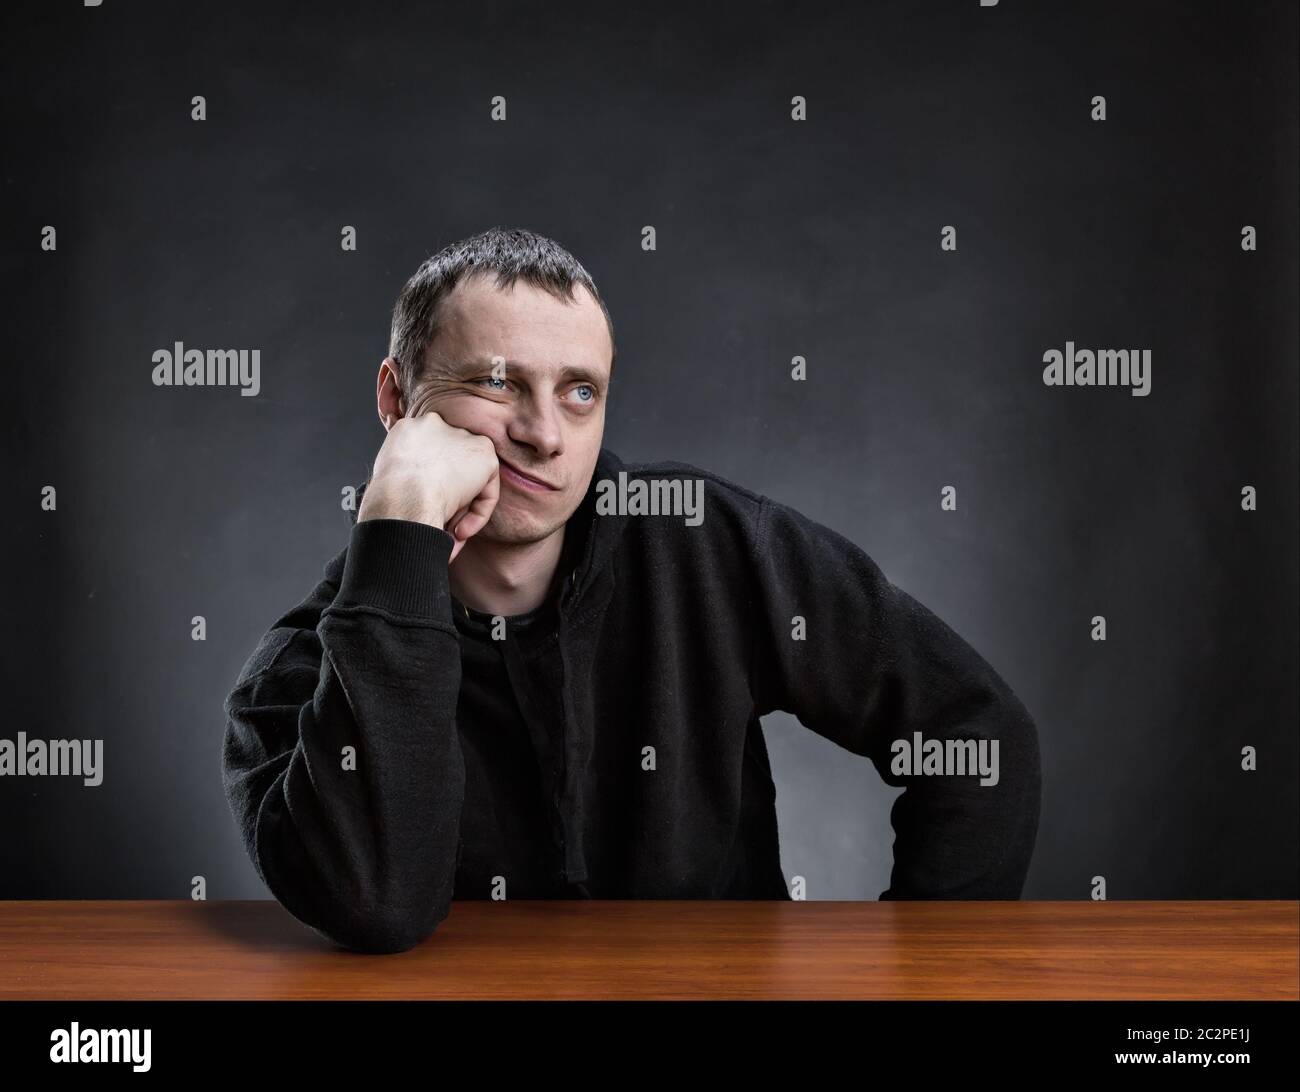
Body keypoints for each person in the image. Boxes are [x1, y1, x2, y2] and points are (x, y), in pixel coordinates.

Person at [222, 226, 1041, 954]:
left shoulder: (707, 544)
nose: (545, 435)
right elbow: (377, 908)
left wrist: (936, 981)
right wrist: (398, 526)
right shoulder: (292, 684)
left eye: (580, 391)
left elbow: (977, 736)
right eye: (499, 384)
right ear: (398, 399)